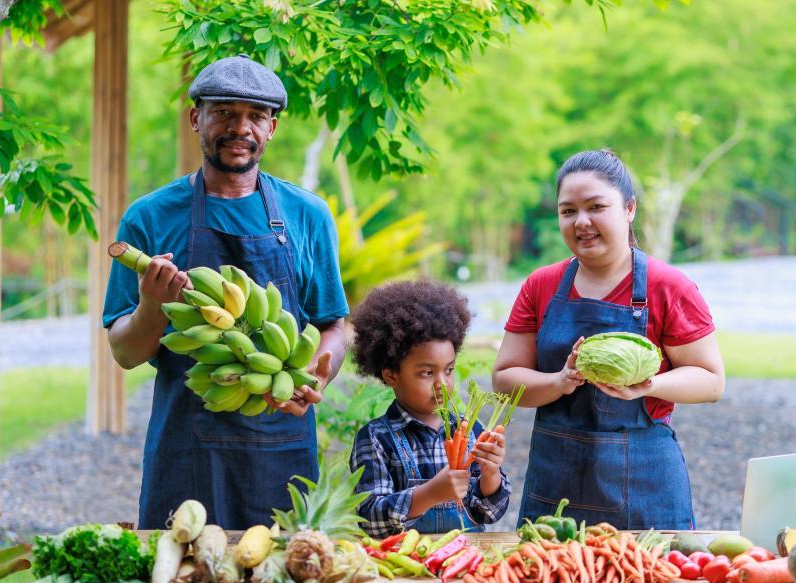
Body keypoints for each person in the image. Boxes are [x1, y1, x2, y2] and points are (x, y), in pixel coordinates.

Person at [103, 55, 348, 530]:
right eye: (224, 113)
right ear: (197, 118)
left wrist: (319, 373)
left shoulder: (307, 215)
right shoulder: (150, 218)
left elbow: (333, 324)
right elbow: (125, 353)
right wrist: (153, 306)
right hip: (186, 449)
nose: (241, 127)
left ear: (272, 127)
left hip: (282, 446)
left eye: (255, 116)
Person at [493, 149, 725, 530]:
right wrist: (558, 382)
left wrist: (649, 386)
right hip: (556, 486)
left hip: (645, 487)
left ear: (629, 208)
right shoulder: (542, 286)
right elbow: (504, 380)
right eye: (568, 211)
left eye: (596, 207)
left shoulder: (668, 286)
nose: (581, 222)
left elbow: (711, 380)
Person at [348, 280, 510, 536]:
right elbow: (370, 520)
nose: (442, 384)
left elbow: (490, 513)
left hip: (465, 561)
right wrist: (430, 494)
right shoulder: (376, 439)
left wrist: (491, 475)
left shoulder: (470, 430)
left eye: (449, 370)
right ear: (391, 376)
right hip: (403, 566)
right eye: (426, 373)